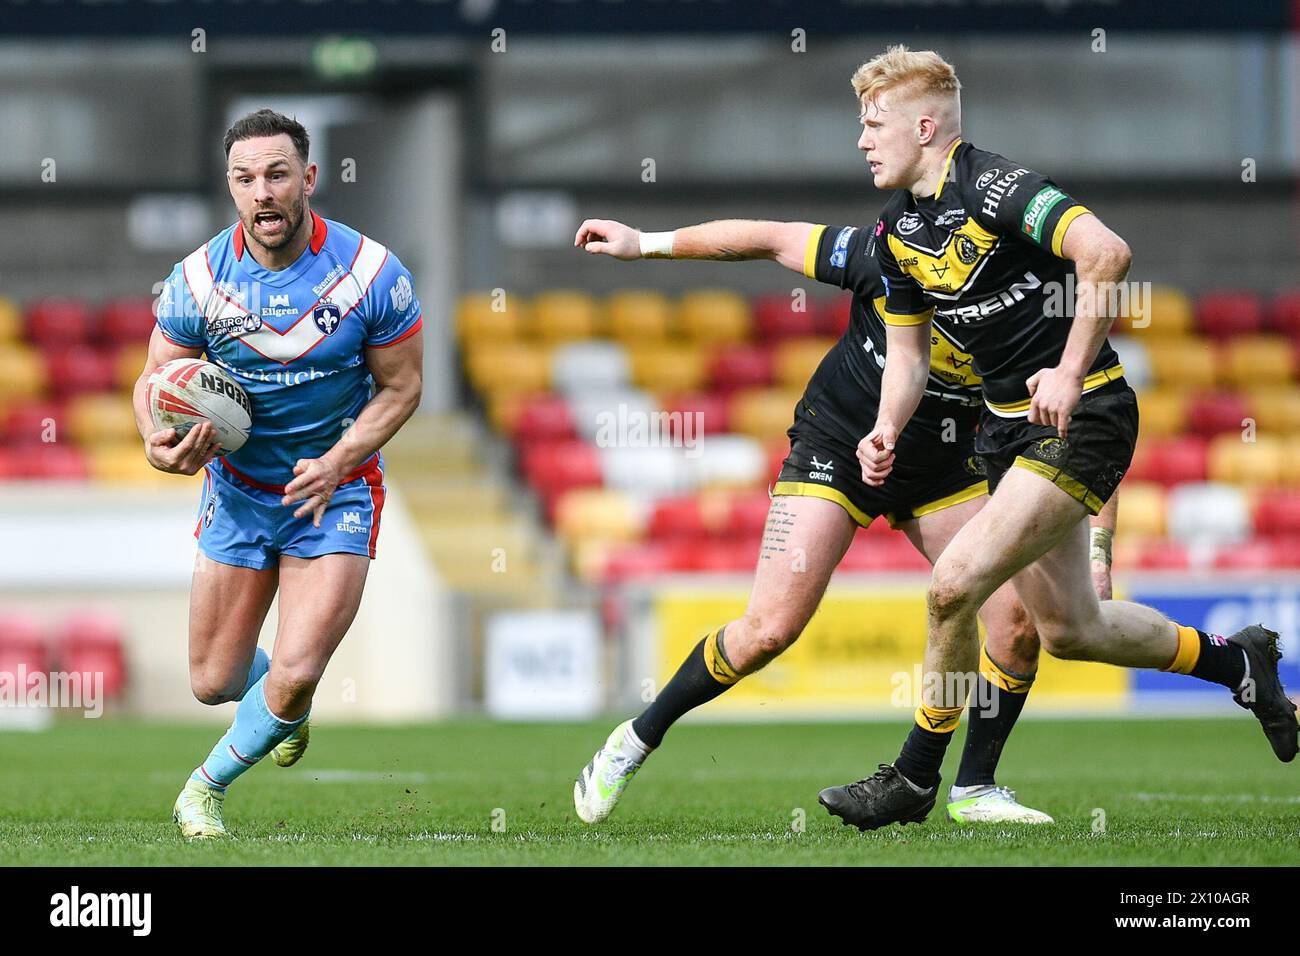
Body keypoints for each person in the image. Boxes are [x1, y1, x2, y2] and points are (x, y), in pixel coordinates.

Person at [818, 46, 1296, 831]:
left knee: (951, 588)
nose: (863, 140)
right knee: (1075, 630)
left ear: (925, 125)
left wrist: (1070, 371)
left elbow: (1105, 252)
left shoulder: (994, 185)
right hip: (1005, 433)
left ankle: (912, 777)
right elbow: (906, 353)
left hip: (1083, 419)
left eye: (874, 125)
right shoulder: (899, 228)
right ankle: (1239, 662)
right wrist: (884, 427)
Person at [570, 214, 1116, 826]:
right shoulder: (887, 255)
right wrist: (645, 244)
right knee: (769, 631)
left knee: (1014, 622)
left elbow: (1080, 431)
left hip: (945, 466)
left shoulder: (1035, 309)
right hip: (837, 444)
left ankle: (976, 787)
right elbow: (770, 238)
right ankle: (634, 741)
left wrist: (1098, 550)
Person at [132, 109, 425, 839]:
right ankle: (280, 707)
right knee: (214, 681)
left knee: (298, 669)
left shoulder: (370, 274)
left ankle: (203, 790)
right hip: (236, 493)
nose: (262, 191)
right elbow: (154, 378)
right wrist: (152, 440)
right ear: (230, 187)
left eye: (277, 173)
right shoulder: (198, 280)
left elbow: (402, 387)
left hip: (338, 493)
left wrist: (337, 462)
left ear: (308, 178)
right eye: (244, 178)